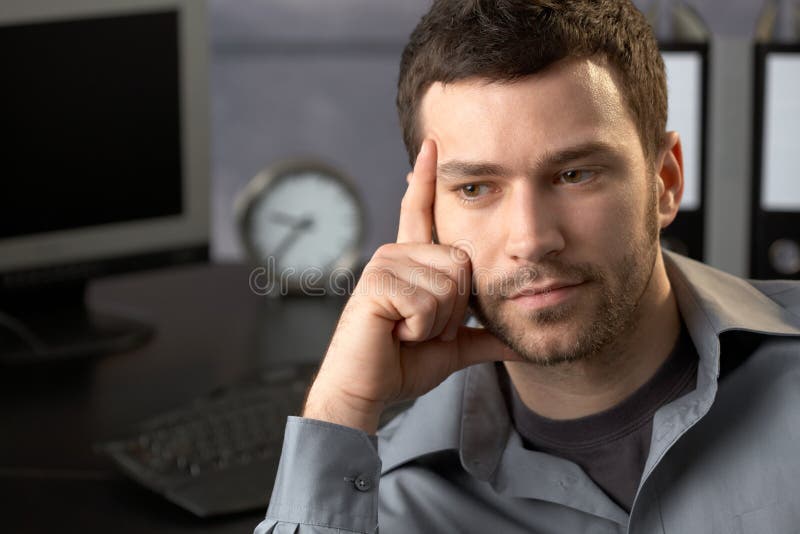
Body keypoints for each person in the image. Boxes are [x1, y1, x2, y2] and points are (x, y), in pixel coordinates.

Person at [255, 1, 800, 532]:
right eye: (475, 188)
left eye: (575, 175)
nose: (532, 239)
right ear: (429, 214)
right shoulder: (386, 502)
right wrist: (341, 407)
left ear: (665, 182)